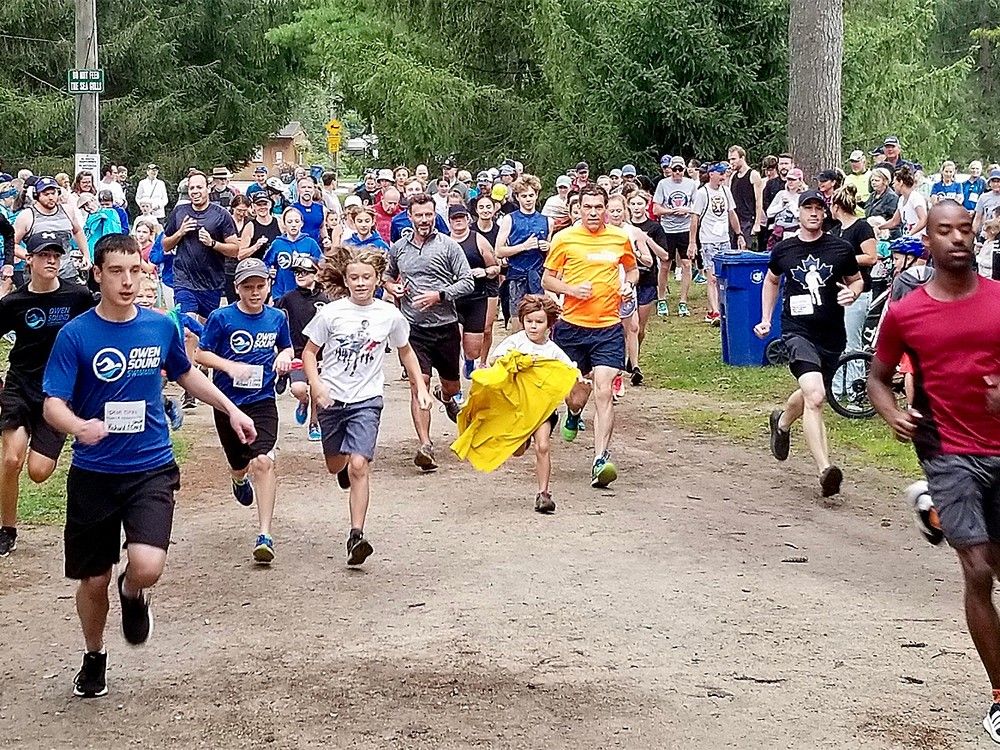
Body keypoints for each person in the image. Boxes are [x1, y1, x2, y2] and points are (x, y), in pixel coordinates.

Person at [42, 233, 255, 699]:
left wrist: (231, 409)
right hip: (95, 473)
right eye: (116, 271)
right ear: (97, 275)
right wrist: (79, 426)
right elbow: (52, 403)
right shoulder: (75, 335)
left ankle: (133, 591)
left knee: (148, 565)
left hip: (150, 466)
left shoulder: (160, 326)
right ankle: (94, 655)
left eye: (135, 271)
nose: (127, 281)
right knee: (92, 579)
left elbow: (187, 374)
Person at [867, 201, 1000, 744]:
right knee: (979, 571)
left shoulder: (999, 299)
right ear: (928, 242)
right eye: (945, 231)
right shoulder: (907, 312)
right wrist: (892, 413)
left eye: (966, 229)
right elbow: (877, 377)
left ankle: (932, 510)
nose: (958, 238)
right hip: (946, 450)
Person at [303, 246, 433, 566]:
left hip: (367, 399)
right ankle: (343, 468)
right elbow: (309, 353)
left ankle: (356, 535)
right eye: (354, 278)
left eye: (366, 277)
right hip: (332, 397)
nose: (360, 283)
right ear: (345, 280)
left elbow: (406, 351)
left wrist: (420, 388)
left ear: (378, 279)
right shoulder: (330, 313)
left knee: (360, 465)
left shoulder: (389, 315)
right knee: (336, 464)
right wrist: (316, 385)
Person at [754, 190, 862, 497]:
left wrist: (853, 292)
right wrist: (766, 318)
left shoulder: (840, 248)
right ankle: (825, 470)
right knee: (815, 396)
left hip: (831, 335)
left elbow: (856, 279)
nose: (813, 213)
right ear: (799, 212)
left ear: (825, 213)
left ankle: (782, 422)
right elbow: (772, 280)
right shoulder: (784, 249)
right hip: (797, 331)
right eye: (807, 208)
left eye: (818, 208)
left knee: (810, 393)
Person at [0, 231, 96, 558]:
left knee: (38, 472)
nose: (51, 260)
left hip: (57, 392)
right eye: (44, 255)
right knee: (11, 459)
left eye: (56, 255)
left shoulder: (77, 296)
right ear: (30, 260)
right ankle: (7, 529)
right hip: (19, 386)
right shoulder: (13, 302)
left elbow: (98, 324)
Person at [196, 258, 292, 564]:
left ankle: (265, 535)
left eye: (260, 286)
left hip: (262, 401)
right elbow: (201, 354)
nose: (255, 292)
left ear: (268, 286)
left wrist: (284, 356)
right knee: (239, 463)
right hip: (227, 403)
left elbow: (287, 346)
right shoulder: (221, 317)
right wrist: (229, 366)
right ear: (237, 288)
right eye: (248, 287)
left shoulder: (277, 317)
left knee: (263, 461)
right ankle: (238, 479)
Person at [542, 185, 637, 489]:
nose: (594, 213)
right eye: (588, 207)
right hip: (572, 327)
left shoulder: (619, 237)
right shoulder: (564, 238)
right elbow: (547, 279)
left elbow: (632, 270)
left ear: (606, 208)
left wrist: (628, 285)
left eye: (599, 207)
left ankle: (600, 459)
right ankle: (573, 414)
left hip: (608, 327)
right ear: (579, 209)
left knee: (604, 390)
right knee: (575, 396)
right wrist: (571, 290)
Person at [383, 194, 474, 471]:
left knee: (452, 386)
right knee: (418, 383)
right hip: (413, 329)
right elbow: (386, 276)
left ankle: (445, 397)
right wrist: (392, 287)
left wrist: (440, 295)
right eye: (419, 215)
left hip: (445, 327)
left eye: (428, 215)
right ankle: (425, 445)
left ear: (435, 215)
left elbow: (468, 281)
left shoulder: (449, 246)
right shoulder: (399, 248)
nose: (424, 220)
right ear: (409, 217)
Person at [485, 295, 578, 513]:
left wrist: (579, 379)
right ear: (523, 320)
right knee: (517, 451)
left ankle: (544, 493)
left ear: (549, 324)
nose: (533, 326)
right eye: (529, 321)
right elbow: (493, 360)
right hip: (517, 408)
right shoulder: (516, 342)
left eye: (539, 322)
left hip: (543, 409)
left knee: (543, 446)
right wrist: (514, 361)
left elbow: (569, 370)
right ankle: (522, 440)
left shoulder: (553, 350)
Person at [161, 171, 240, 321]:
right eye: (192, 188)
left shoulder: (221, 215)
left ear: (208, 188)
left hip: (211, 283)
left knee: (205, 328)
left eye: (199, 187)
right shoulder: (180, 212)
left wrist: (213, 243)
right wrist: (180, 232)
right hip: (184, 281)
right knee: (187, 324)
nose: (195, 191)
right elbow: (165, 245)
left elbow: (235, 250)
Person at [274, 256, 329, 440]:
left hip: (319, 355)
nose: (300, 275)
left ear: (316, 275)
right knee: (298, 388)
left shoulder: (325, 299)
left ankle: (314, 423)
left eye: (305, 272)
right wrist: (282, 352)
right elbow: (276, 320)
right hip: (297, 354)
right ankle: (303, 402)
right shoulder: (288, 298)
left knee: (317, 388)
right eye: (297, 272)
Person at [689, 163, 745, 325]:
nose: (723, 177)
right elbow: (695, 218)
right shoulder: (702, 193)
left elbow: (731, 213)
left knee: (724, 277)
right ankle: (715, 311)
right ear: (711, 174)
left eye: (724, 174)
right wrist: (692, 242)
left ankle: (723, 307)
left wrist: (739, 234)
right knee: (712, 277)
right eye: (720, 174)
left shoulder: (726, 191)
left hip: (724, 239)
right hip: (708, 240)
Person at [449, 204, 500, 378]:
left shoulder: (478, 240)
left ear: (468, 219)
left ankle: (470, 361)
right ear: (449, 221)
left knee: (473, 350)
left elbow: (495, 267)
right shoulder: (443, 241)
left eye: (461, 218)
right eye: (455, 219)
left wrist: (484, 271)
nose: (458, 221)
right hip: (453, 299)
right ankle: (453, 382)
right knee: (453, 340)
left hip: (476, 297)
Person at [495, 174, 552, 329]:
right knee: (518, 320)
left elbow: (551, 255)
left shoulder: (547, 221)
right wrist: (523, 246)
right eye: (524, 196)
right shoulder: (509, 219)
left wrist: (548, 247)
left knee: (539, 319)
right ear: (517, 197)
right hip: (517, 276)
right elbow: (498, 251)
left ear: (537, 195)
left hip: (538, 276)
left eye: (531, 195)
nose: (528, 199)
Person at [10, 176, 90, 283]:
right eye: (46, 194)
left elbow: (78, 231)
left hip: (67, 272)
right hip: (39, 275)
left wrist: (86, 255)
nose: (51, 197)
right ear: (36, 195)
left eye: (53, 193)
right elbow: (11, 243)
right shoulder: (27, 216)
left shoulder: (67, 211)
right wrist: (30, 257)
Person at [652, 155, 697, 317]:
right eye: (675, 169)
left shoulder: (691, 184)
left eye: (680, 169)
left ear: (684, 170)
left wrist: (686, 210)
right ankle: (661, 299)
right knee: (665, 265)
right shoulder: (663, 184)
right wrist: (671, 211)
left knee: (687, 264)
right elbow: (656, 209)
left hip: (685, 229)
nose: (677, 172)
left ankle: (683, 301)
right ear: (670, 169)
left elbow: (697, 207)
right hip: (667, 229)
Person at [264, 207, 323, 300]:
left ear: (302, 223)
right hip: (281, 293)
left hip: (305, 295)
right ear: (284, 224)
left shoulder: (310, 243)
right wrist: (269, 271)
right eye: (289, 222)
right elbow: (265, 263)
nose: (293, 225)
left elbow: (321, 264)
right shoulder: (277, 244)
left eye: (297, 221)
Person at [727, 146, 764, 248]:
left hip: (748, 220)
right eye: (730, 159)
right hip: (735, 221)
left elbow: (759, 201)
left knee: (746, 250)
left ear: (742, 158)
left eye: (734, 159)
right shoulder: (733, 176)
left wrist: (757, 223)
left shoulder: (753, 175)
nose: (731, 162)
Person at [881, 166, 929, 238]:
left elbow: (923, 219)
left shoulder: (915, 197)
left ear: (901, 182)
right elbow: (894, 222)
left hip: (918, 239)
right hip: (908, 239)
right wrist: (878, 227)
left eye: (894, 183)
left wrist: (910, 234)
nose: (893, 186)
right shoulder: (901, 199)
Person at [293, 176, 326, 244]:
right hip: (298, 246)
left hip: (317, 246)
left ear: (313, 190)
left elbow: (322, 227)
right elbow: (284, 230)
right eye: (303, 187)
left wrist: (326, 238)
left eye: (309, 187)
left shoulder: (320, 208)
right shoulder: (292, 209)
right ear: (298, 190)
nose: (306, 190)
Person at [974, 169, 1000, 238]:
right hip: (986, 234)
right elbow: (977, 218)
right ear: (989, 183)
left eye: (998, 181)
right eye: (993, 181)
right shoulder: (983, 197)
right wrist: (973, 235)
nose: (995, 184)